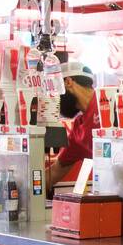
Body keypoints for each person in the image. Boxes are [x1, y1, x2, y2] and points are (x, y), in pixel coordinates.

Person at [45, 62, 98, 191]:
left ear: (68, 82)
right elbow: (56, 171)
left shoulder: (108, 101)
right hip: (112, 197)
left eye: (55, 91)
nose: (54, 98)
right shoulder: (78, 130)